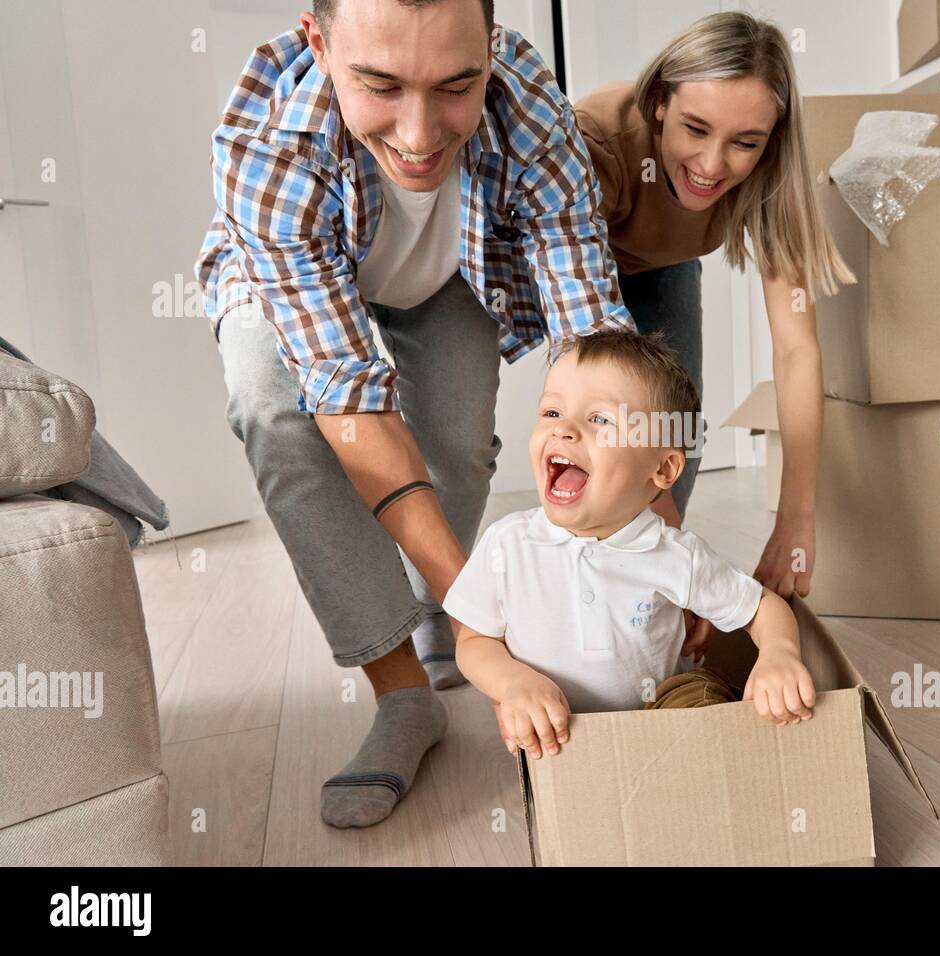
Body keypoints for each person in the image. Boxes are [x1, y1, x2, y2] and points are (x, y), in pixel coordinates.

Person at [195, 0, 632, 828]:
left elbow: (594, 344)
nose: (421, 132)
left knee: (459, 446)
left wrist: (649, 543)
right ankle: (405, 696)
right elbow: (349, 394)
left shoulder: (529, 106)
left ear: (490, 49)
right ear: (321, 45)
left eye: (456, 86)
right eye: (381, 86)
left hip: (454, 271)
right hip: (298, 273)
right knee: (273, 407)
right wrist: (490, 620)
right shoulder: (269, 141)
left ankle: (442, 621)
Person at [575, 11, 855, 608]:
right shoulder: (599, 139)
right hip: (559, 264)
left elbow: (797, 348)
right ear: (658, 103)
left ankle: (643, 600)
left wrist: (796, 520)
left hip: (661, 263)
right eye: (695, 129)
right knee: (604, 434)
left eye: (744, 143)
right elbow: (588, 349)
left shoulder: (772, 176)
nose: (711, 165)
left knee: (677, 435)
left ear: (771, 139)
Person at [446, 331, 816, 760]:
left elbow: (762, 607)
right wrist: (513, 682)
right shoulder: (507, 546)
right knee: (533, 723)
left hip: (658, 713)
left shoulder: (674, 554)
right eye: (551, 411)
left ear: (662, 469)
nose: (563, 429)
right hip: (562, 728)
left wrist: (778, 655)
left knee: (701, 702)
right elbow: (473, 642)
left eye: (600, 419)